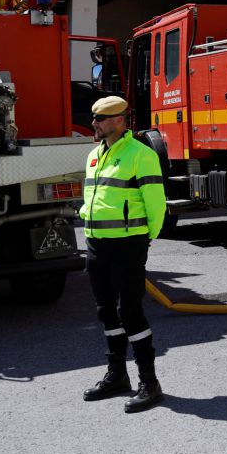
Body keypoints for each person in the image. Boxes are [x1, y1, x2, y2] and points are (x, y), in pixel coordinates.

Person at [79, 96, 167, 413]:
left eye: (100, 119)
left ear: (119, 120)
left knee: (130, 312)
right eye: (94, 118)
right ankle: (117, 375)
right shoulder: (94, 155)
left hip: (128, 244)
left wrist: (145, 237)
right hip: (96, 243)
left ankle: (149, 383)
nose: (95, 124)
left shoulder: (140, 155)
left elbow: (156, 203)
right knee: (106, 312)